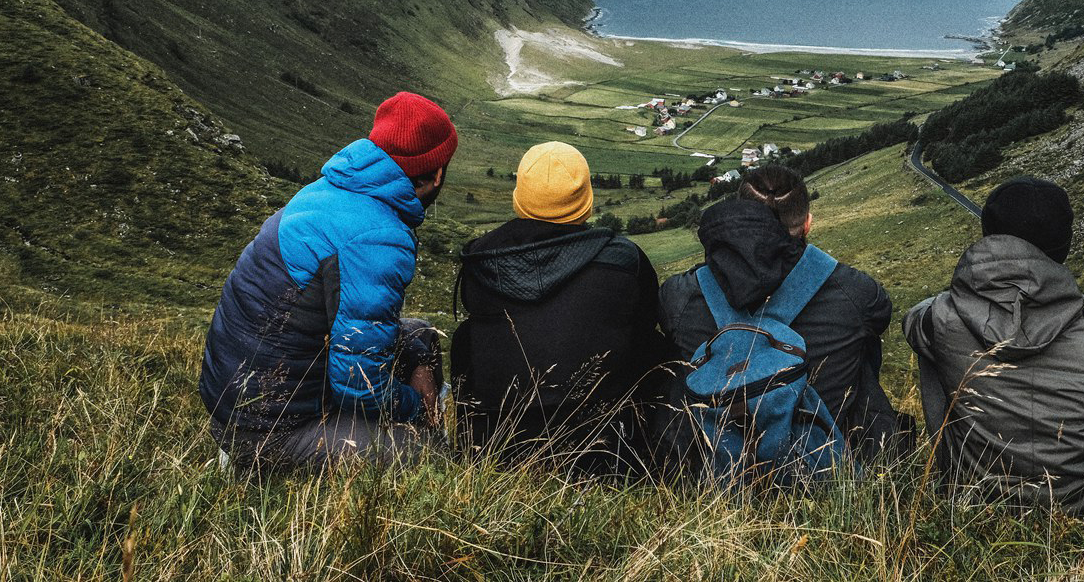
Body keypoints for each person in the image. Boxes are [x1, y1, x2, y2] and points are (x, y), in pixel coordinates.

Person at [199, 91, 457, 470]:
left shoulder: (332, 188)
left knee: (420, 337)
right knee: (427, 453)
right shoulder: (378, 235)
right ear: (436, 174)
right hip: (270, 426)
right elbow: (358, 380)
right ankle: (249, 463)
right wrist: (415, 407)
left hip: (242, 398)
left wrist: (414, 369)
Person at [904, 176, 1084, 518]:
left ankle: (951, 482)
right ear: (1065, 246)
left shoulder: (940, 318)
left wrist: (971, 291)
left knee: (933, 352)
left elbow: (912, 322)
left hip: (973, 513)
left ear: (990, 237)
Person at [658, 164, 908, 472]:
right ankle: (868, 464)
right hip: (820, 469)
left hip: (714, 472)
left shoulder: (680, 295)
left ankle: (677, 467)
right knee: (863, 352)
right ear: (807, 224)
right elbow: (880, 318)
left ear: (739, 217)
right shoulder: (857, 293)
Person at [451, 141, 669, 476]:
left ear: (520, 197)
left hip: (502, 443)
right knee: (655, 346)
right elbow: (648, 322)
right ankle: (657, 457)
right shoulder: (625, 260)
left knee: (466, 338)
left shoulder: (480, 260)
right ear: (586, 202)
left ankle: (469, 448)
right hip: (603, 442)